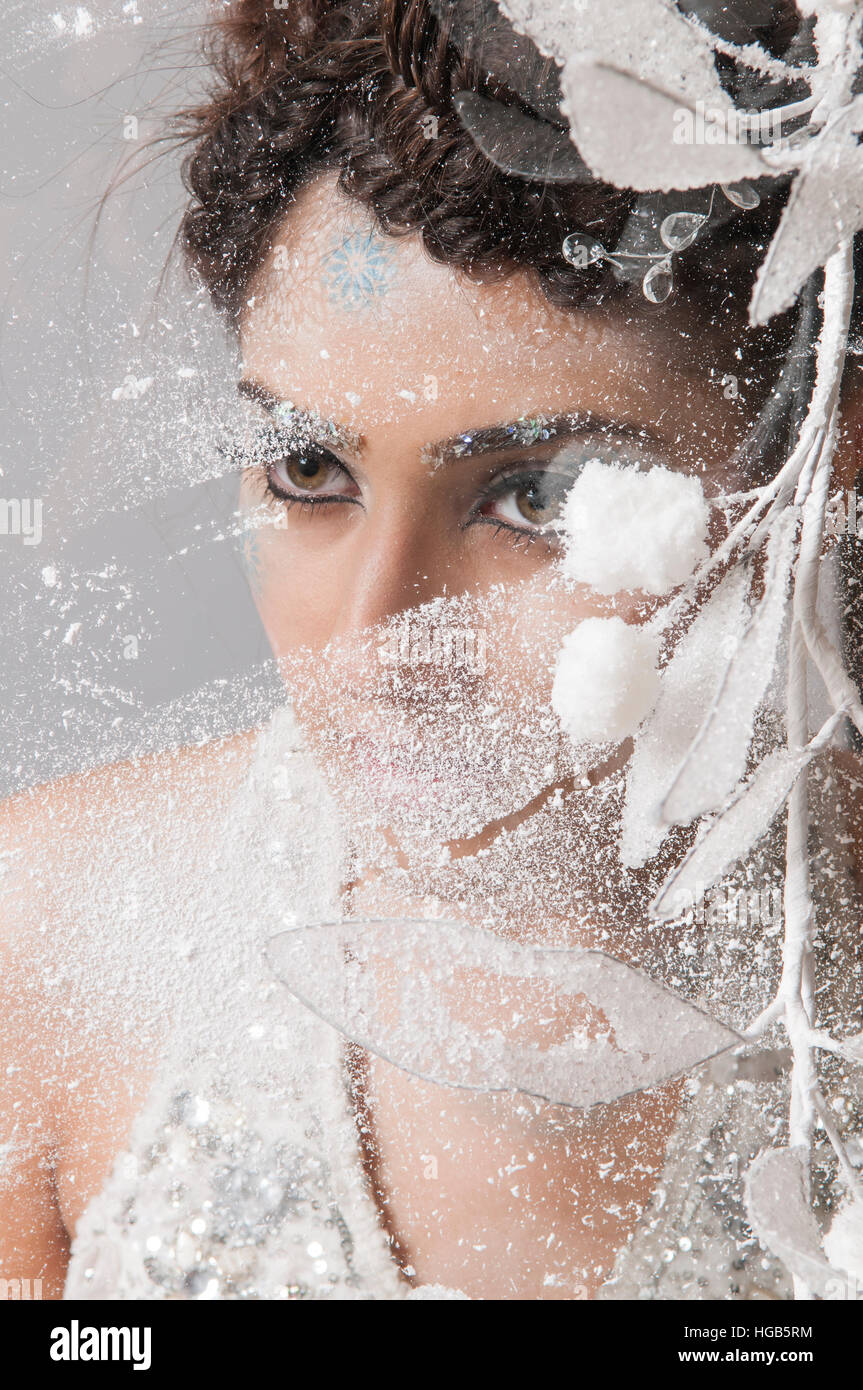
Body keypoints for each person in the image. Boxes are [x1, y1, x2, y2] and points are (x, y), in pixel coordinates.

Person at [1, 0, 861, 1301]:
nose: (371, 640)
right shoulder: (46, 940)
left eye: (541, 498)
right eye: (308, 468)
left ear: (820, 465)